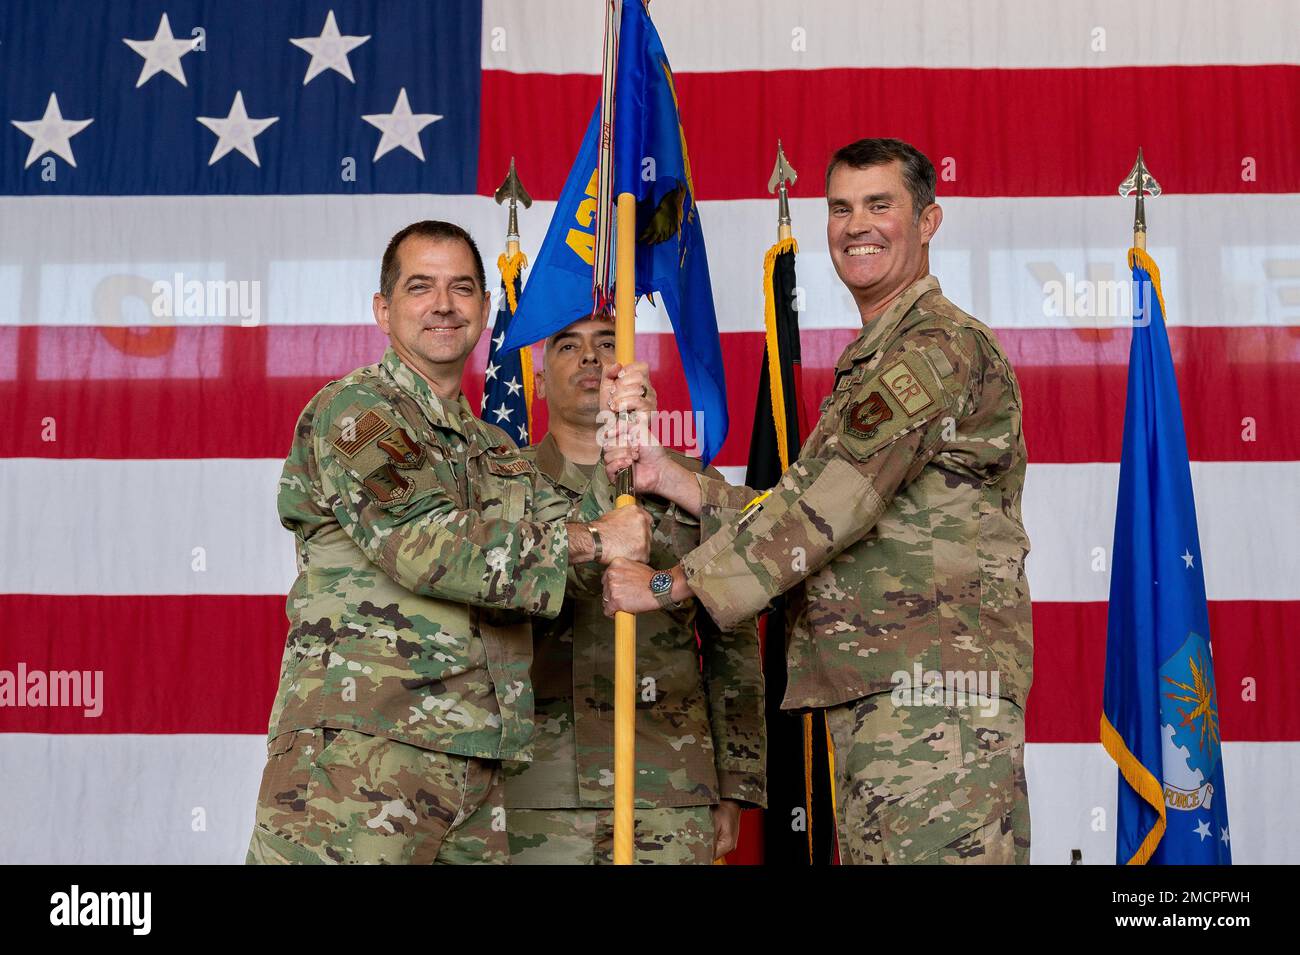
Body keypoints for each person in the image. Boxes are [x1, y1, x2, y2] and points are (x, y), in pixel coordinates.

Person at [603, 139, 1033, 864]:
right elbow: (802, 506)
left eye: (879, 205)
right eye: (840, 207)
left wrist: (668, 584)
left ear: (928, 220)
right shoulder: (878, 356)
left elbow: (824, 512)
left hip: (932, 700)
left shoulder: (934, 349)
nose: (855, 224)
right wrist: (669, 475)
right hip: (892, 695)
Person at [246, 220, 651, 865]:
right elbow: (425, 544)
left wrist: (622, 440)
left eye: (462, 288)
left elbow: (597, 558)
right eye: (420, 287)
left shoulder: (495, 450)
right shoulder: (355, 412)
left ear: (484, 311)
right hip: (359, 754)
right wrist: (594, 539)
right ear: (383, 310)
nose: (443, 304)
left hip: (477, 759)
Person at [503, 317, 766, 864]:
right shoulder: (502, 485)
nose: (590, 358)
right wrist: (611, 472)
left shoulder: (686, 483)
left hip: (668, 784)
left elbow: (732, 638)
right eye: (567, 345)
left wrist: (736, 782)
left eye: (606, 343)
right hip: (537, 790)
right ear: (540, 379)